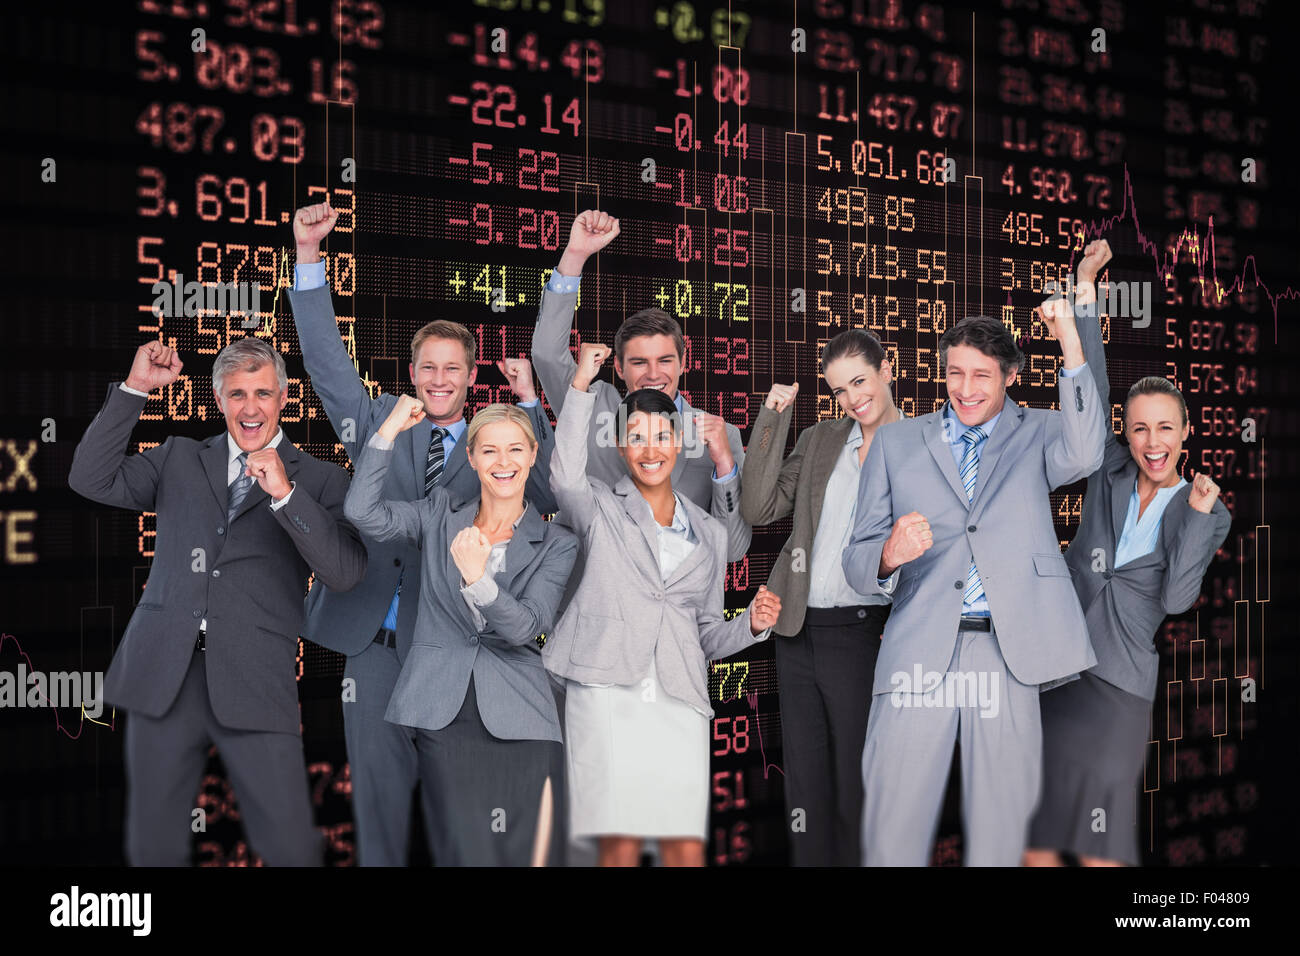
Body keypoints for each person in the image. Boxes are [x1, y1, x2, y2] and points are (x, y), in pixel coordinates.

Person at [288, 200, 557, 865]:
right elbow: (326, 365)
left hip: (454, 652)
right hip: (374, 649)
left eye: (453, 368)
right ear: (412, 374)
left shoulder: (501, 443)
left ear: (471, 377)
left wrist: (529, 405)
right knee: (378, 819)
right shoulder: (379, 418)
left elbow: (552, 492)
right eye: (427, 367)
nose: (439, 379)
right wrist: (307, 258)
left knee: (458, 824)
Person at [68, 338, 367, 865]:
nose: (250, 408)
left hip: (255, 679)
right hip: (162, 674)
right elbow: (89, 478)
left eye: (262, 393)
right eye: (236, 395)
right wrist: (136, 388)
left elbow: (344, 573)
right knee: (153, 844)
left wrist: (285, 496)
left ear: (283, 397)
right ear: (219, 399)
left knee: (290, 844)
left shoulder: (320, 480)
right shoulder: (180, 457)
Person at [841, 304, 1107, 866]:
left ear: (1010, 376)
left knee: (999, 829)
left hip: (1008, 653)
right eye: (955, 372)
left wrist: (1071, 346)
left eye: (982, 375)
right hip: (918, 648)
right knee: (893, 825)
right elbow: (856, 558)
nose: (965, 388)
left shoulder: (1039, 432)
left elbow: (1088, 450)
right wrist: (889, 553)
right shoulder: (895, 444)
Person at [1025, 240, 1231, 867]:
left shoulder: (1208, 511)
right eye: (1139, 427)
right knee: (1038, 839)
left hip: (1117, 691)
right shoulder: (1108, 469)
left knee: (1099, 846)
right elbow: (1095, 376)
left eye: (1165, 427)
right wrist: (1084, 285)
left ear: (1185, 433)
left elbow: (1173, 599)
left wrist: (1193, 517)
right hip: (1059, 669)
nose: (1151, 441)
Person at [543, 343, 782, 866]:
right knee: (618, 848)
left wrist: (751, 625)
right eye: (636, 439)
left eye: (660, 437)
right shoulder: (599, 508)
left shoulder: (712, 534)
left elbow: (704, 635)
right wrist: (580, 386)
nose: (650, 450)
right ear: (623, 448)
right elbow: (563, 475)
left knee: (682, 850)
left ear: (678, 443)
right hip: (606, 691)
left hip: (680, 698)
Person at [344, 395, 577, 866]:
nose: (503, 462)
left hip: (524, 720)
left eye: (516, 449)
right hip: (443, 715)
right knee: (463, 853)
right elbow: (362, 512)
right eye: (489, 450)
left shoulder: (557, 543)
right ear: (470, 457)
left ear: (533, 455)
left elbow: (526, 627)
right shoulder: (438, 513)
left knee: (532, 856)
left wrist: (478, 579)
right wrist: (388, 430)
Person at [740, 329, 902, 866]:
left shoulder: (926, 444)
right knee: (805, 786)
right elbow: (760, 506)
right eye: (838, 391)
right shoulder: (820, 439)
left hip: (865, 632)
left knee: (859, 781)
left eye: (859, 381)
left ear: (888, 368)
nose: (853, 399)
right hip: (796, 627)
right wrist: (774, 417)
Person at [532, 209, 750, 560]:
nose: (653, 374)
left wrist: (724, 466)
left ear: (683, 363)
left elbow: (733, 551)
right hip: (597, 596)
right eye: (639, 362)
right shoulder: (590, 404)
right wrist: (575, 255)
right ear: (618, 366)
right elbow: (545, 352)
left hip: (675, 604)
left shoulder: (719, 436)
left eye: (665, 361)